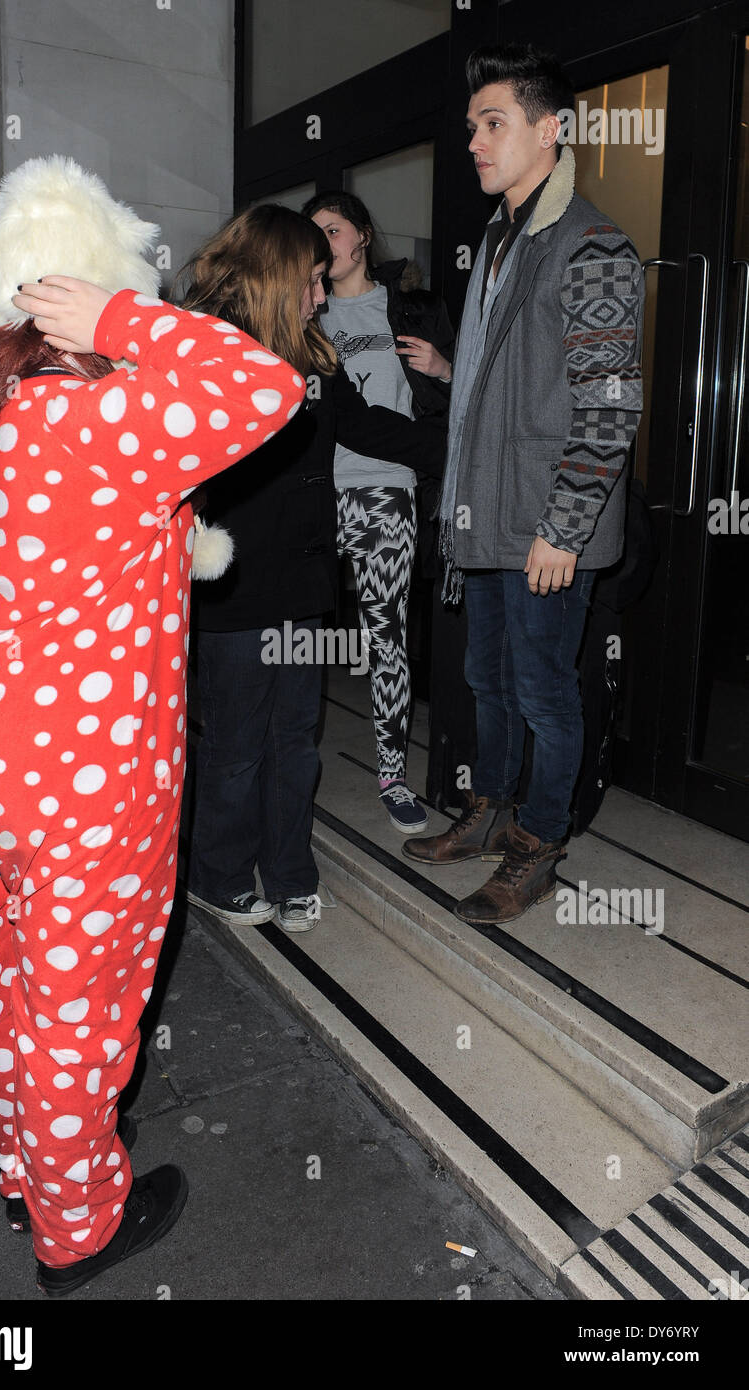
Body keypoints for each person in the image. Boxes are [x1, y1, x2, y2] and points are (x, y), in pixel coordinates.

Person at [0, 156, 306, 1296]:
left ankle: (23, 1167)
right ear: (83, 288)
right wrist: (126, 316)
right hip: (82, 770)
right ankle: (77, 1224)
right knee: (81, 1012)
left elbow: (89, 547)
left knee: (12, 974)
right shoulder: (107, 412)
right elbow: (266, 386)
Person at [403, 44, 644, 925]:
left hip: (546, 525)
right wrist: (450, 367)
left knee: (545, 688)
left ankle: (539, 842)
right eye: (472, 125)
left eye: (494, 123)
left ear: (552, 129)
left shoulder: (591, 244)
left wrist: (568, 526)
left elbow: (610, 407)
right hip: (490, 514)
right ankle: (491, 808)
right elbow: (517, 379)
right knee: (490, 680)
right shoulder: (504, 237)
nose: (475, 140)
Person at [183, 204, 444, 933]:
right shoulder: (207, 357)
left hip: (301, 585)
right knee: (236, 747)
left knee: (295, 743)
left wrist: (461, 457)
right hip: (234, 588)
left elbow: (372, 427)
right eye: (312, 281)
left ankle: (290, 871)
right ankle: (219, 873)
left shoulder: (314, 359)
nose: (323, 296)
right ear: (275, 278)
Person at [303, 190, 454, 833]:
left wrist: (445, 369)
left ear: (362, 235)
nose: (324, 246)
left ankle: (392, 776)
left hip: (386, 487)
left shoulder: (410, 308)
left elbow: (470, 396)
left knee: (384, 637)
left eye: (333, 231)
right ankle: (293, 762)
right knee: (301, 637)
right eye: (314, 236)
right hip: (314, 492)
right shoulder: (303, 313)